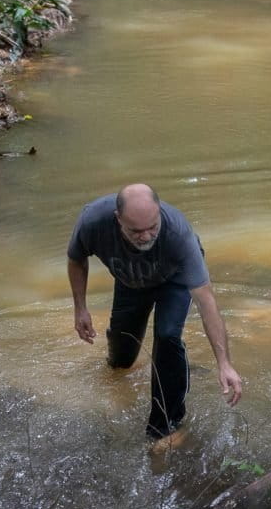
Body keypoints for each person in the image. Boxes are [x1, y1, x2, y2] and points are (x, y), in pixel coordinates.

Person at [67, 183, 242, 442]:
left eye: (152, 228)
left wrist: (224, 363)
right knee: (121, 359)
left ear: (159, 212)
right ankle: (168, 368)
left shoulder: (178, 235)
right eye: (136, 231)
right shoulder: (93, 221)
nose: (147, 237)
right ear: (118, 219)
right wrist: (80, 308)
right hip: (130, 279)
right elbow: (76, 259)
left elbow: (206, 300)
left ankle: (165, 428)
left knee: (167, 336)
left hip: (174, 279)